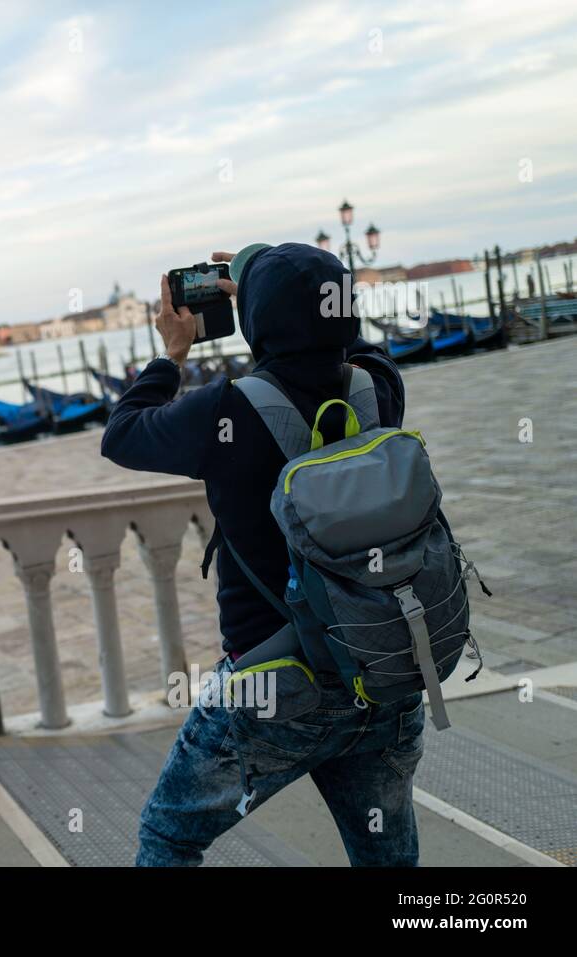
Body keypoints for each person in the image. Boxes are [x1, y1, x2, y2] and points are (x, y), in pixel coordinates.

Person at [101, 242, 425, 866]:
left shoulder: (224, 411)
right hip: (381, 674)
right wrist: (267, 271)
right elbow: (347, 342)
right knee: (386, 857)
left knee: (169, 837)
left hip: (275, 687)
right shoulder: (380, 389)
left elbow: (124, 434)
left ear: (257, 320)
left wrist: (171, 354)